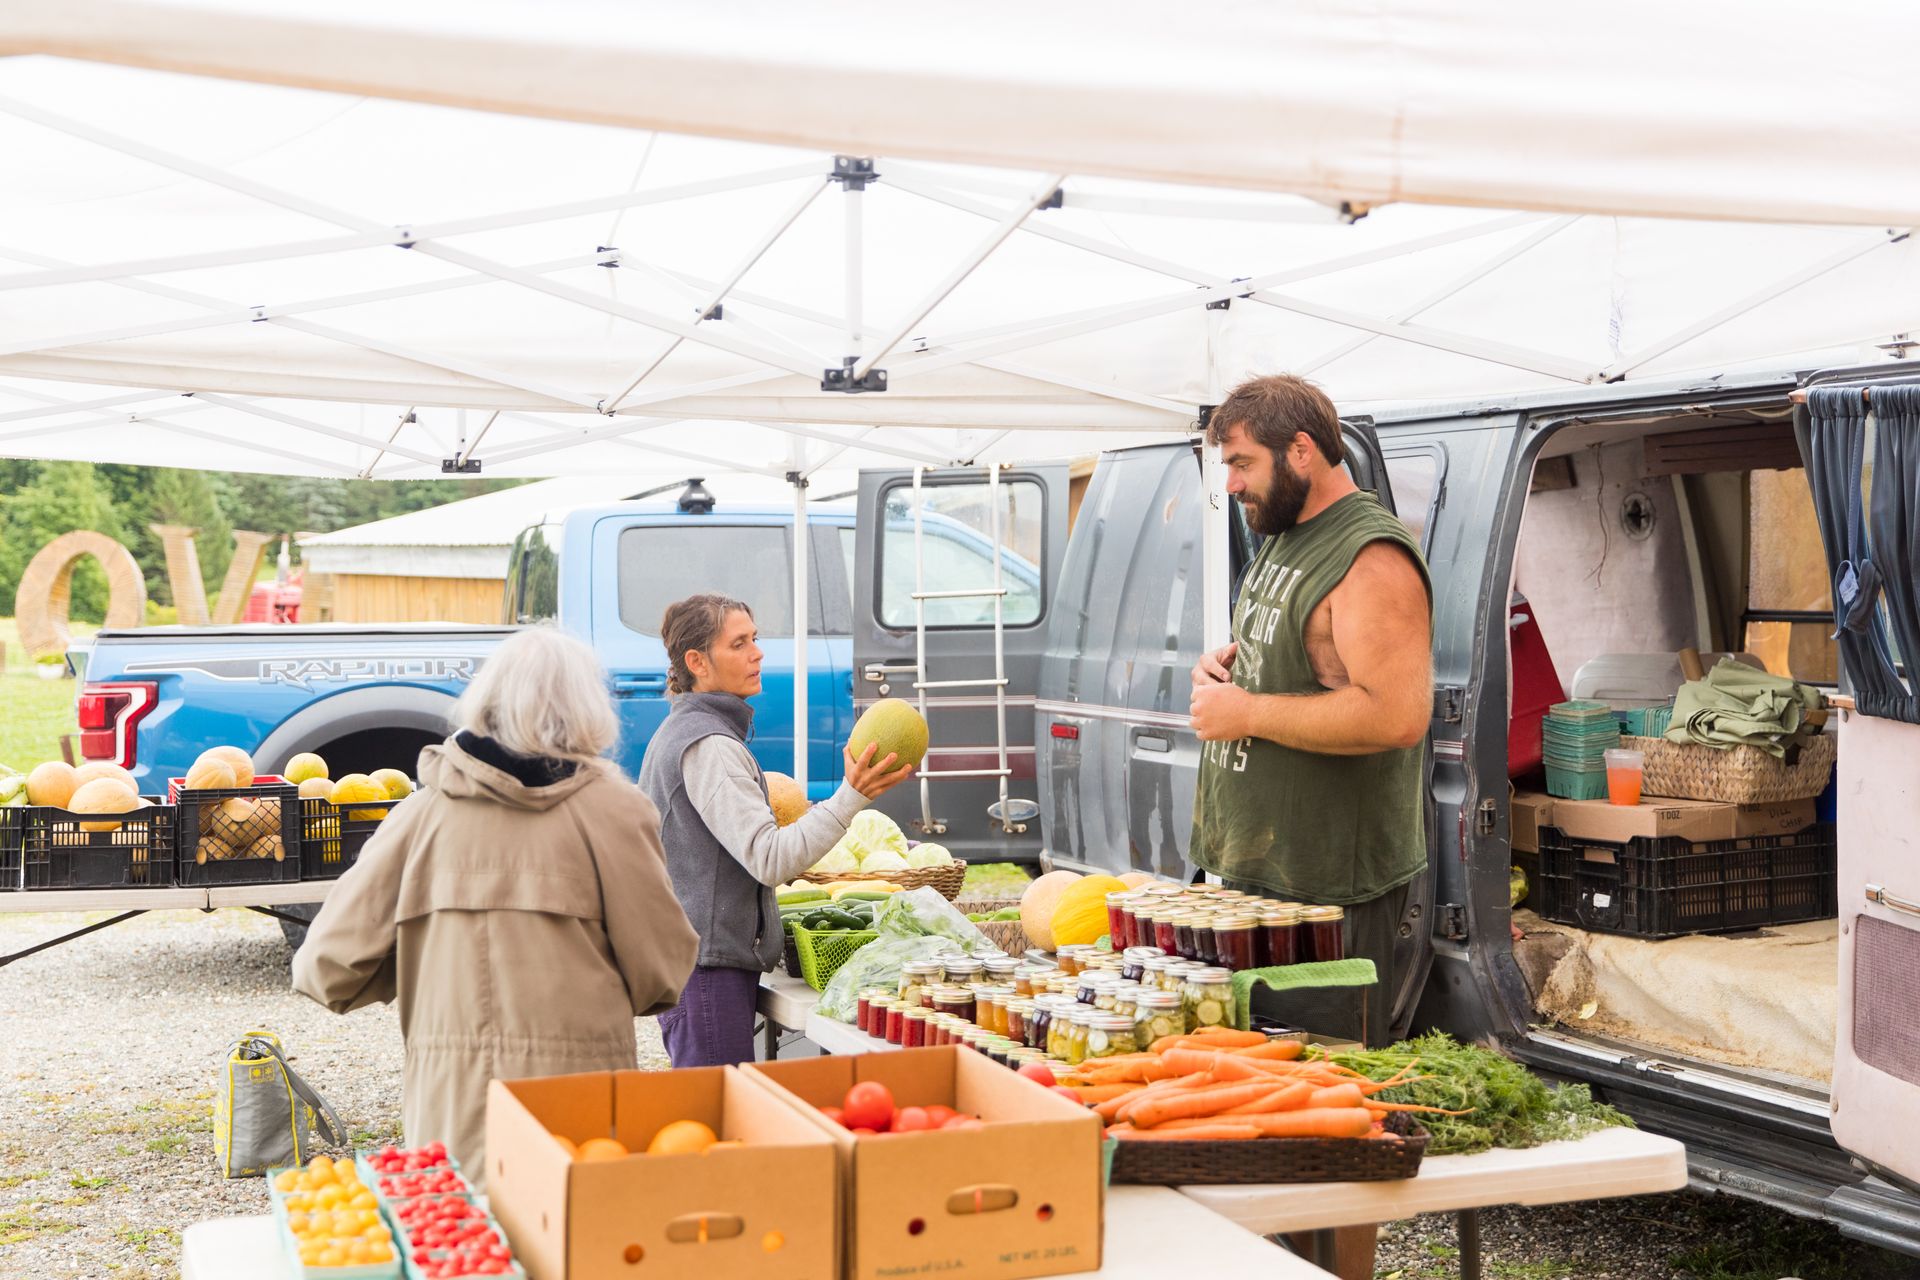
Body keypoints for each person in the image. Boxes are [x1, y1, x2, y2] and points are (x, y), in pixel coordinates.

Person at [292, 627, 698, 1180]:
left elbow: (327, 969)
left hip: (449, 1116)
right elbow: (663, 974)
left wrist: (419, 956)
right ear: (589, 710)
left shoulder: (419, 816)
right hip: (577, 1114)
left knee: (462, 1253)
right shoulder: (615, 812)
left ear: (484, 703)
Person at [1188, 372, 1432, 1050]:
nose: (1230, 484)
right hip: (1255, 876)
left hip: (1326, 896)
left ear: (1300, 451)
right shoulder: (1286, 531)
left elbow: (1396, 717)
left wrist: (1247, 714)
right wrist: (1225, 668)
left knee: (1321, 1089)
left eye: (1241, 464)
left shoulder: (1370, 557)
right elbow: (1297, 662)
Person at [640, 593, 915, 1068]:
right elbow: (769, 859)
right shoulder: (707, 746)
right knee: (720, 1125)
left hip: (698, 962)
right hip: (705, 969)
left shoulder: (691, 731)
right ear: (697, 662)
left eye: (756, 639)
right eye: (739, 643)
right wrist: (852, 795)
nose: (757, 652)